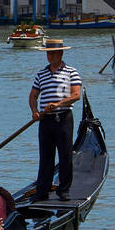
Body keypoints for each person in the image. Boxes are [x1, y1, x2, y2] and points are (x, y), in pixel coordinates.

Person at [28, 38, 82, 201]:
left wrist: (57, 104)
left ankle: (63, 190)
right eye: (48, 54)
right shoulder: (41, 74)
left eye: (53, 53)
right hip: (45, 120)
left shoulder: (71, 72)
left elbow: (76, 95)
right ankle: (42, 190)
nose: (50, 57)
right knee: (45, 157)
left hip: (64, 118)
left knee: (65, 155)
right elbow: (33, 95)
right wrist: (35, 111)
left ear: (61, 53)